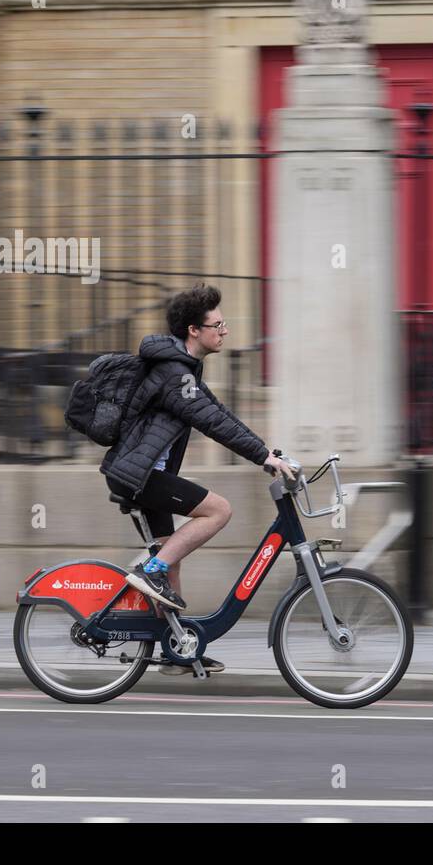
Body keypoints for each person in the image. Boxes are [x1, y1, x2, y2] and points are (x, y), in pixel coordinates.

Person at [101, 283, 297, 673]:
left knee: (171, 559)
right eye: (218, 325)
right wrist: (262, 458)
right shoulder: (175, 374)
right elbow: (211, 422)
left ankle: (176, 647)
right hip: (140, 478)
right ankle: (148, 572)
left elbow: (219, 412)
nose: (224, 332)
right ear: (194, 330)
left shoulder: (183, 368)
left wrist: (267, 453)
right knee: (218, 511)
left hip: (140, 476)